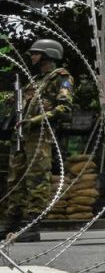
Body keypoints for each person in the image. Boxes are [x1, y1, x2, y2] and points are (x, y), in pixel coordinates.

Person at [1, 40, 74, 242]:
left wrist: (35, 120)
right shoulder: (35, 80)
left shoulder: (61, 78)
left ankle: (32, 225)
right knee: (15, 179)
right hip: (22, 136)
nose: (32, 56)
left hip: (40, 136)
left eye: (36, 53)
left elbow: (64, 107)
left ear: (48, 54)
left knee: (37, 181)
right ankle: (12, 223)